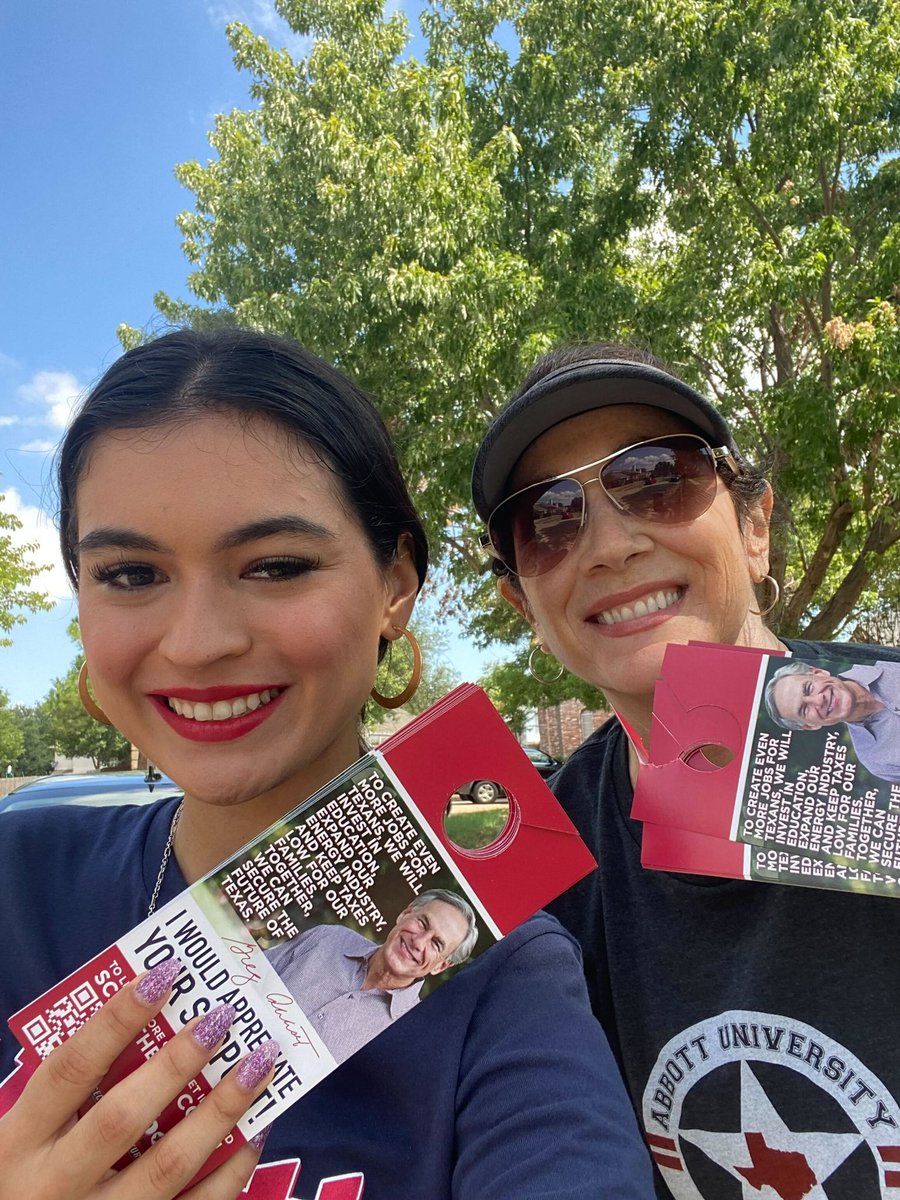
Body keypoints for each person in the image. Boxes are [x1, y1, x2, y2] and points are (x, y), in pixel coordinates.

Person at [0, 329, 653, 1200]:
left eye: (275, 566)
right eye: (129, 573)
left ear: (395, 588)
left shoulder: (510, 979)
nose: (196, 644)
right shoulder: (14, 884)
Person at [472, 342, 900, 1200]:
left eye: (655, 475)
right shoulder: (527, 865)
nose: (608, 543)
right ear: (525, 605)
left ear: (754, 527)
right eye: (547, 517)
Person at [267, 890, 477, 1063]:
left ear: (441, 966)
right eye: (422, 923)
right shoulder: (329, 938)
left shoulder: (409, 1037)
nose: (419, 942)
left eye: (436, 944)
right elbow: (245, 975)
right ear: (405, 914)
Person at [765, 659, 900, 781]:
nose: (818, 700)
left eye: (808, 688)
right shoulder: (876, 760)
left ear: (820, 672)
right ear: (811, 726)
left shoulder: (883, 659)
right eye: (804, 709)